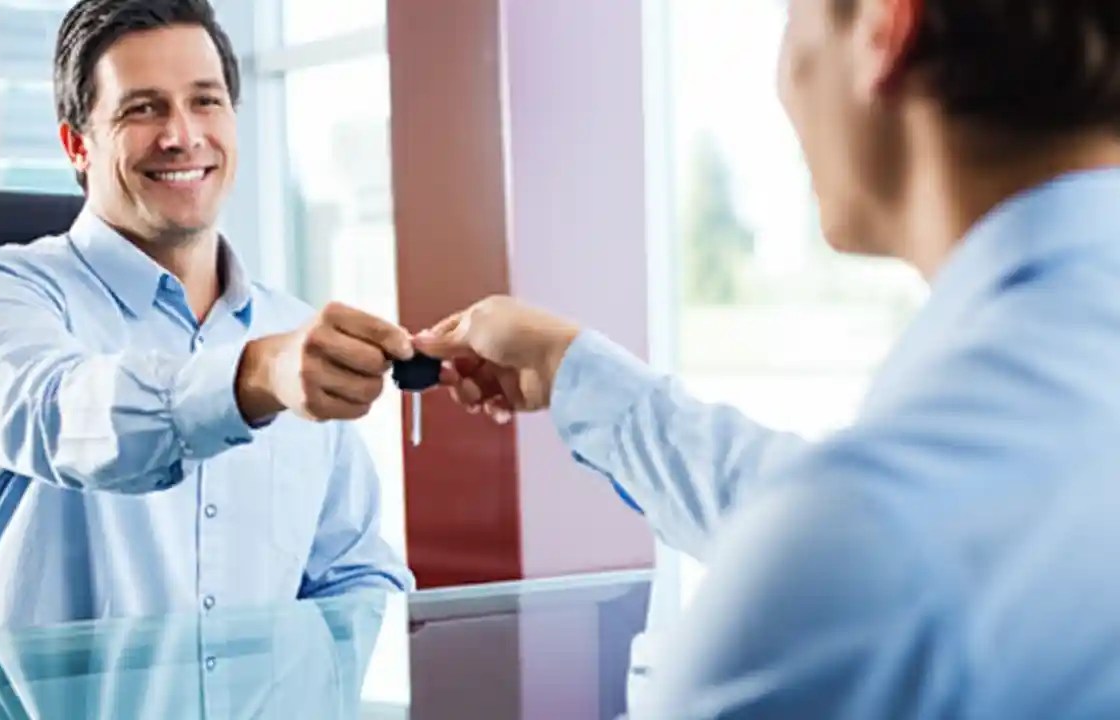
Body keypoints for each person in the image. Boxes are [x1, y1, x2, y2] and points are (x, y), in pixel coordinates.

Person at [416, 0, 1120, 716]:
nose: (783, 85)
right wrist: (572, 370)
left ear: (886, 30)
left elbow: (850, 553)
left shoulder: (873, 544)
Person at [0, 0, 412, 634]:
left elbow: (355, 573)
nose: (182, 135)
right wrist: (249, 379)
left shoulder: (294, 334)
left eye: (205, 101)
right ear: (77, 144)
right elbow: (64, 417)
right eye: (142, 108)